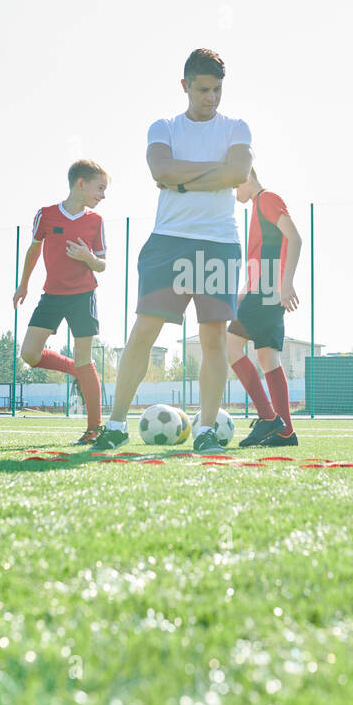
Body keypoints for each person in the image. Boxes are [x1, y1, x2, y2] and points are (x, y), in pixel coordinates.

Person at [90, 48, 252, 454]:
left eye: (217, 90)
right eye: (202, 90)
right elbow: (161, 171)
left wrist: (183, 179)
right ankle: (114, 425)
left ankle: (205, 432)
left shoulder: (237, 127)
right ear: (184, 86)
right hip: (169, 241)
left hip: (219, 244)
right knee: (144, 332)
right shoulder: (163, 127)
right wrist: (205, 175)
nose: (210, 98)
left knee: (213, 339)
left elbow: (238, 174)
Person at [12, 160, 108, 444]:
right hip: (52, 295)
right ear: (81, 183)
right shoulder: (46, 215)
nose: (103, 195)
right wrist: (23, 283)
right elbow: (34, 249)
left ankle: (94, 429)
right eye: (99, 188)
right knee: (29, 354)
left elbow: (102, 264)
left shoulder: (96, 221)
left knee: (85, 360)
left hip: (83, 296)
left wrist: (88, 259)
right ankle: (73, 370)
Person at [228, 168, 303, 446]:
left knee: (230, 346)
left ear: (246, 177)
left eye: (234, 187)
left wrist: (287, 283)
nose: (233, 195)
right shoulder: (258, 206)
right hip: (262, 290)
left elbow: (295, 238)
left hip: (268, 291)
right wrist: (246, 291)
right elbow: (266, 254)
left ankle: (268, 418)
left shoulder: (268, 198)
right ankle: (285, 433)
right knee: (267, 359)